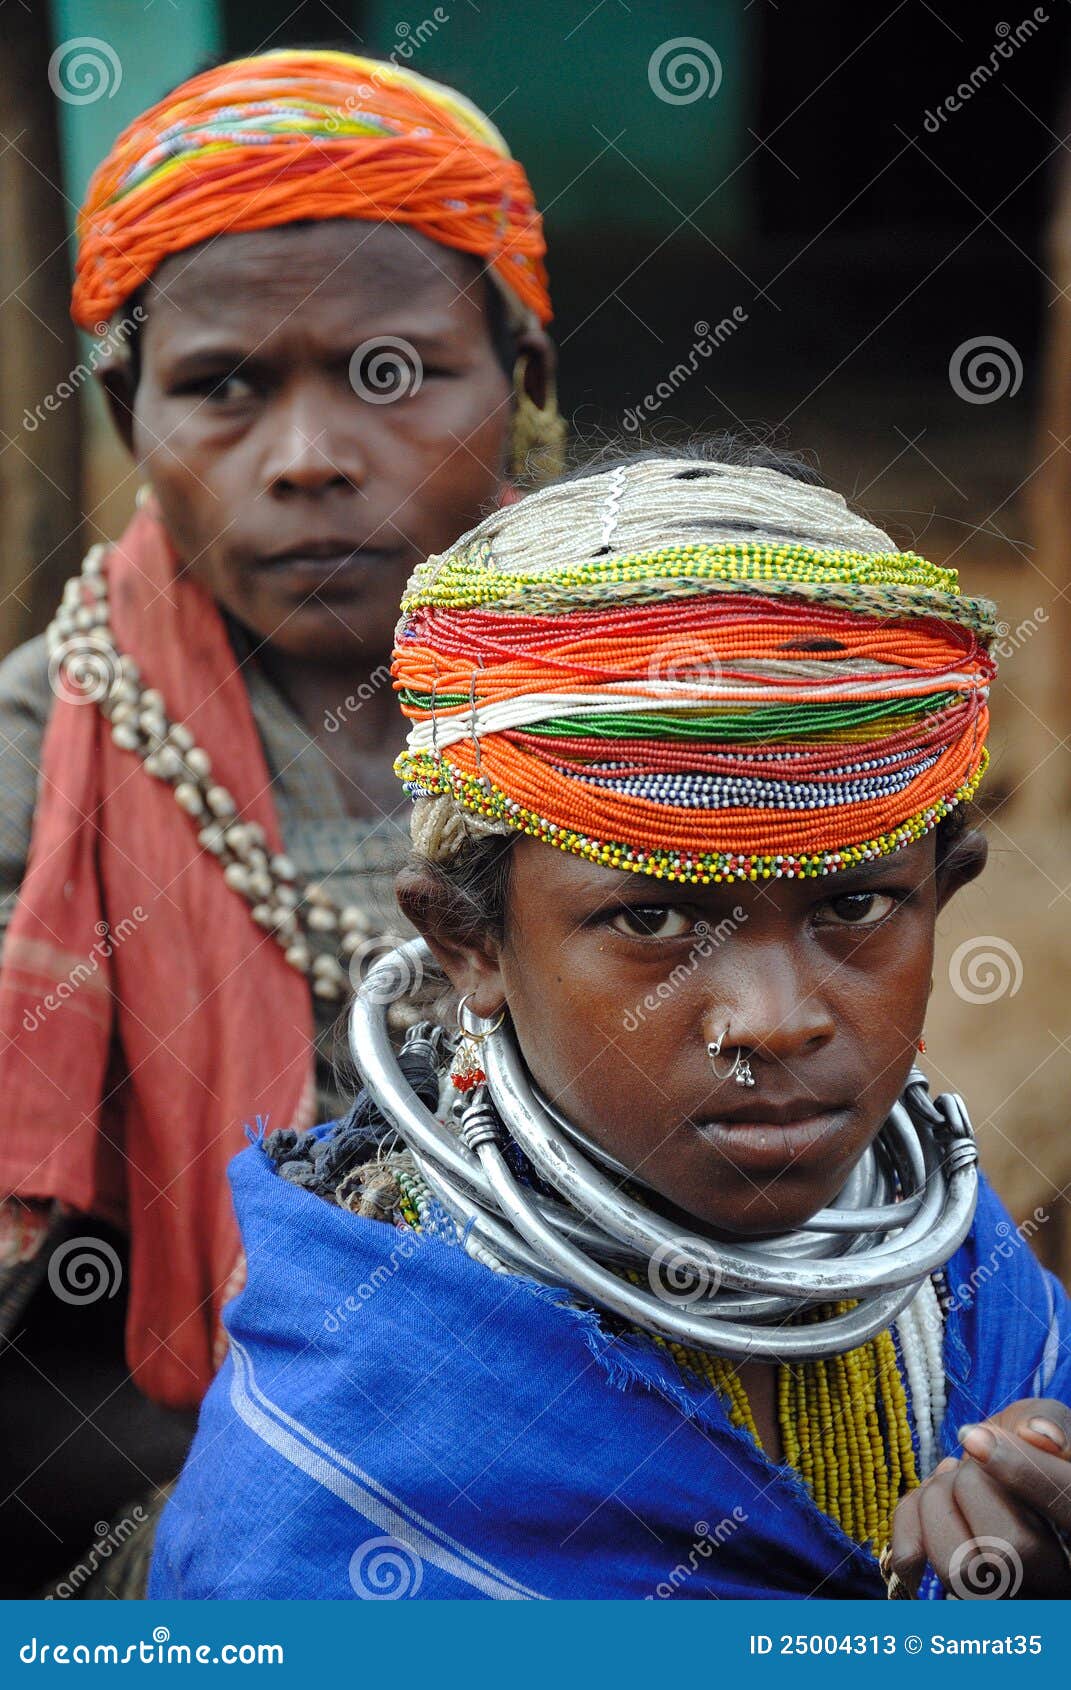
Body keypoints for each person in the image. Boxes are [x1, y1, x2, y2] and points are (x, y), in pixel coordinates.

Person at [149, 444, 1071, 1600]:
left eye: (855, 905)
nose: (773, 1020)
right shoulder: (338, 1486)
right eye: (650, 919)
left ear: (947, 889)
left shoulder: (976, 1294)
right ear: (469, 943)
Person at [0, 47, 562, 1592]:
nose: (309, 455)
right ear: (126, 405)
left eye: (391, 373)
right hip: (151, 1462)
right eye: (222, 386)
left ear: (517, 384)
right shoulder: (40, 751)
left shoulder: (634, 698)